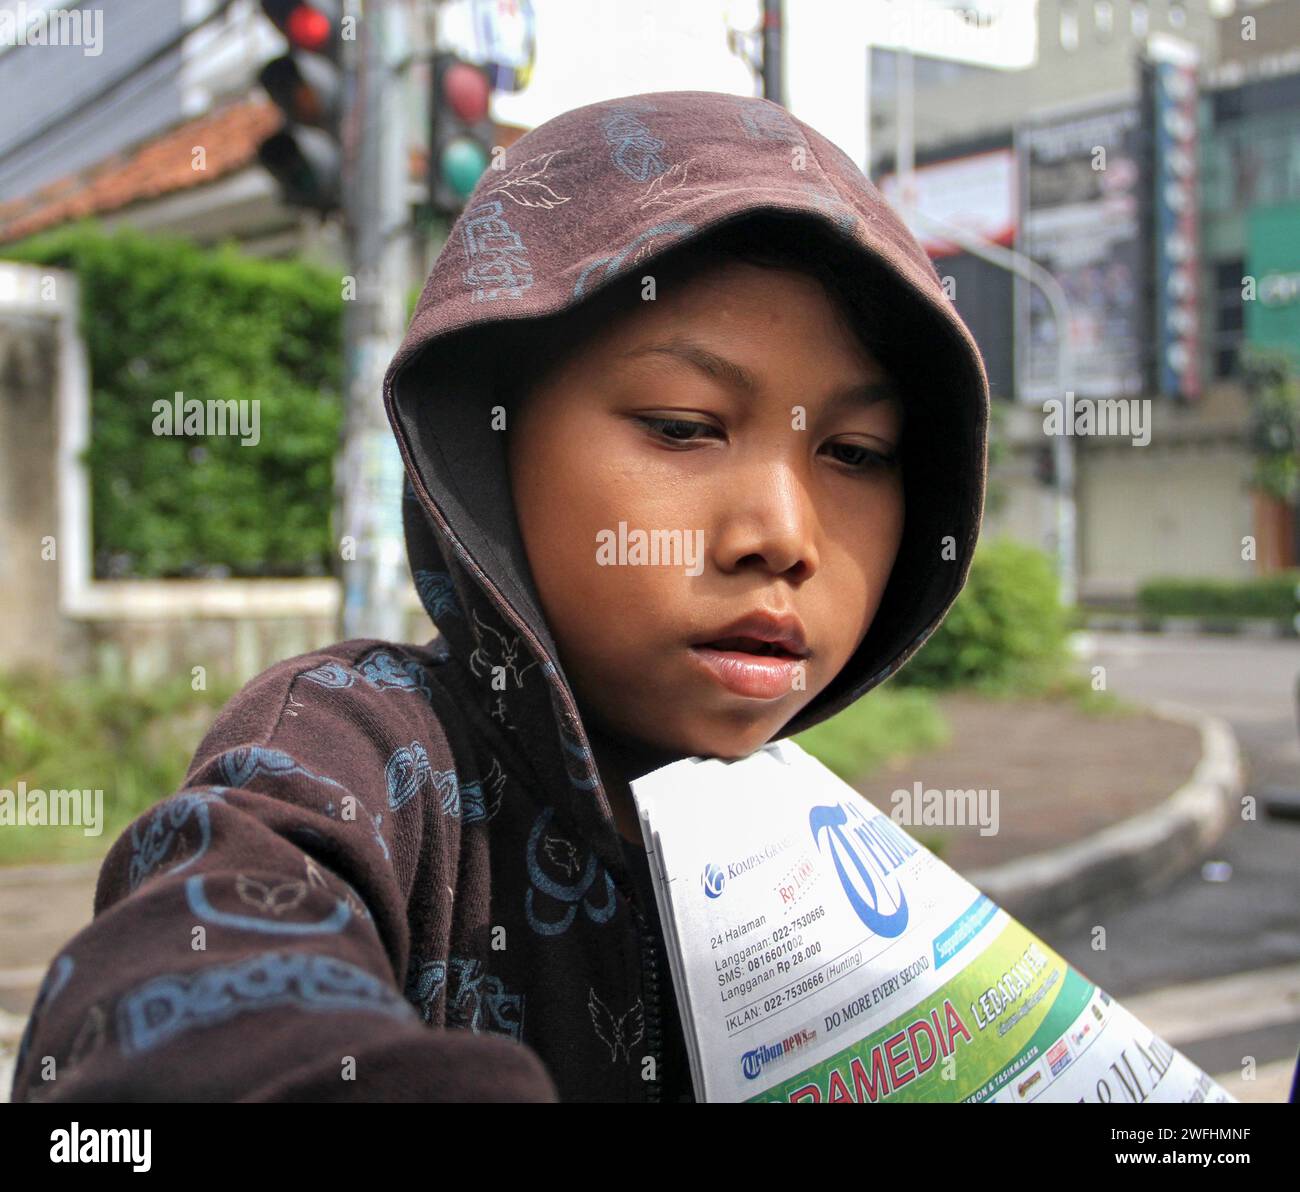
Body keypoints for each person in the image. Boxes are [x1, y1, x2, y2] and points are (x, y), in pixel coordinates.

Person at [10, 89, 988, 1103]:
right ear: (491, 443)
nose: (784, 536)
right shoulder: (359, 756)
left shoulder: (826, 862)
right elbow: (175, 993)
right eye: (684, 425)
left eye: (856, 453)